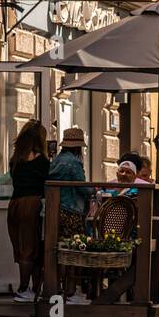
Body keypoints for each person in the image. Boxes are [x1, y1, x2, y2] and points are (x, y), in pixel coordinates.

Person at [49, 127, 93, 305]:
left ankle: (56, 291)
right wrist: (94, 191)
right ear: (78, 147)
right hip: (72, 210)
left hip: (56, 210)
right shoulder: (74, 163)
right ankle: (71, 292)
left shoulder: (57, 160)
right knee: (73, 250)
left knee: (59, 250)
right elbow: (82, 187)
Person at [7, 120, 49, 303]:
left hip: (14, 204)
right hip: (32, 205)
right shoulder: (42, 161)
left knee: (21, 246)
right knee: (32, 248)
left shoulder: (15, 160)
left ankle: (29, 288)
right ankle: (27, 289)